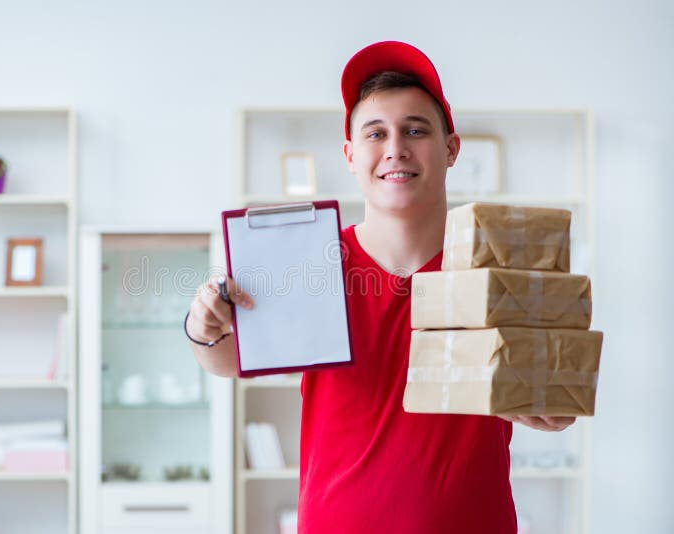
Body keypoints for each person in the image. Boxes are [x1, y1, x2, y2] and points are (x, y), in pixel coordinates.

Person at [185, 40, 575, 533]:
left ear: (451, 149)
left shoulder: (498, 268)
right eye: (376, 133)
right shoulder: (311, 264)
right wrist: (204, 327)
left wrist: (551, 407)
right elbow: (232, 357)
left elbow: (557, 398)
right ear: (350, 154)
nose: (396, 147)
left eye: (416, 129)